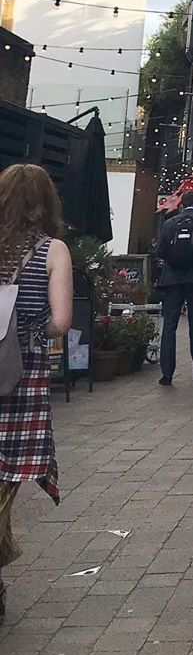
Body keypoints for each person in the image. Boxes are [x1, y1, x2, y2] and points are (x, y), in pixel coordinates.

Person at [0, 164, 73, 623]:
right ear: (45, 202)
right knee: (3, 482)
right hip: (20, 377)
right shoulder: (53, 250)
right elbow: (62, 321)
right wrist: (24, 331)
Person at [153, 201, 193, 387]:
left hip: (173, 279)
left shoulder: (169, 223)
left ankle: (167, 373)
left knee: (169, 325)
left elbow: (159, 251)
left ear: (182, 204)